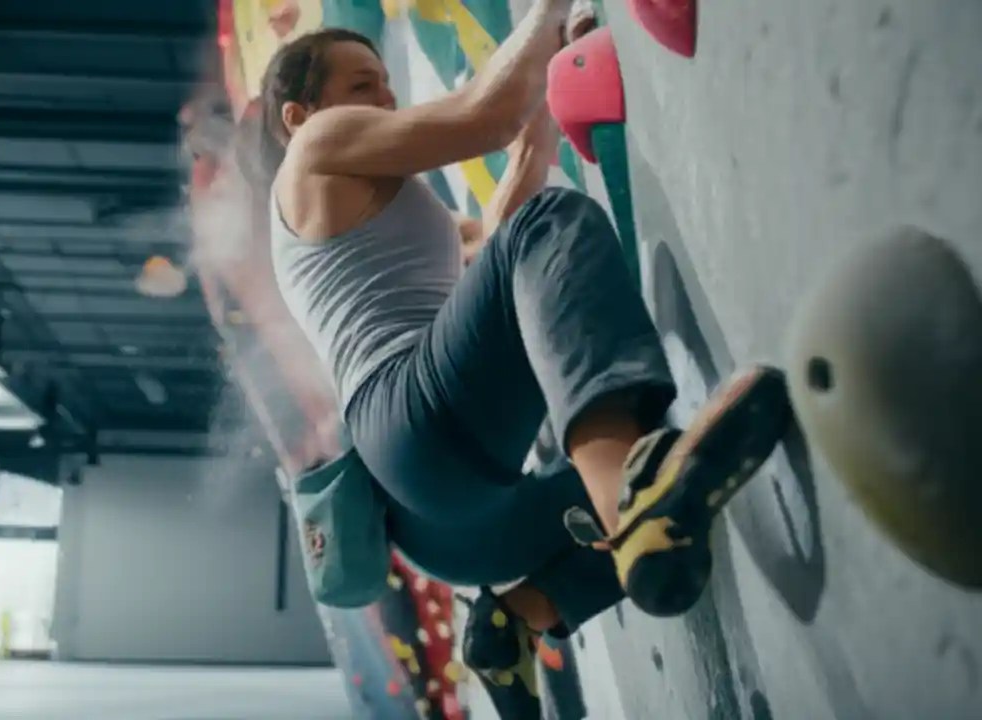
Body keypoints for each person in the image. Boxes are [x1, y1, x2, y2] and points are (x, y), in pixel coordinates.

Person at [254, 0, 792, 652]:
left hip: (443, 528)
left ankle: (519, 617)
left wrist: (559, 53)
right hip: (412, 421)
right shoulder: (313, 148)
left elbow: (502, 233)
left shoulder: (362, 213)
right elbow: (489, 117)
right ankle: (635, 495)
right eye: (363, 85)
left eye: (386, 84)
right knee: (554, 223)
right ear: (298, 115)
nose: (385, 98)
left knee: (652, 446)